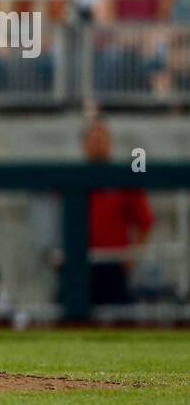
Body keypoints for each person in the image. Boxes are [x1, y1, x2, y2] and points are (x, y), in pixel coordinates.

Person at [83, 117, 153, 305]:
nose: (97, 146)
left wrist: (130, 257)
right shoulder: (74, 181)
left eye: (102, 140)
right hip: (80, 265)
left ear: (110, 144)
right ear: (84, 146)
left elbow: (145, 222)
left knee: (117, 321)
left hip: (113, 266)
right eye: (93, 140)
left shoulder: (123, 179)